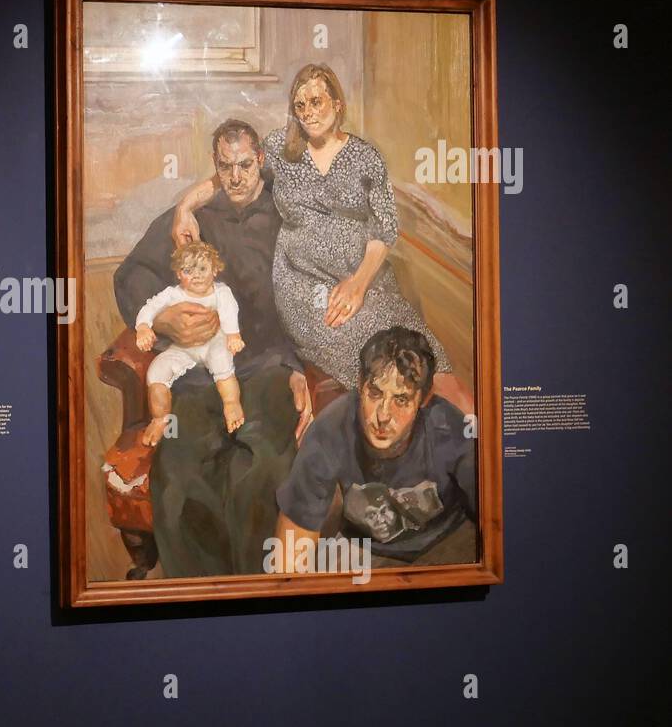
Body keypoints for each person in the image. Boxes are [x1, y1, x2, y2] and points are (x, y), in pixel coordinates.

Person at [173, 64, 471, 413]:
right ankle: (402, 429)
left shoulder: (366, 157)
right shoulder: (282, 152)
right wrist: (184, 207)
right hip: (303, 285)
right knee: (375, 353)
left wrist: (358, 284)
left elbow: (383, 228)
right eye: (300, 106)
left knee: (425, 355)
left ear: (337, 103)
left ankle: (469, 441)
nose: (308, 113)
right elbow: (223, 176)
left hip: (364, 280)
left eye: (316, 101)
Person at [113, 120, 312, 578]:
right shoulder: (192, 220)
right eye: (226, 167)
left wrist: (298, 366)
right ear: (215, 169)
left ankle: (257, 594)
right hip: (198, 369)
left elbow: (316, 295)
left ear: (261, 160)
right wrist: (163, 322)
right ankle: (201, 598)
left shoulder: (289, 209)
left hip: (267, 366)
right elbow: (132, 275)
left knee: (263, 470)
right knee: (180, 474)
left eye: (245, 164)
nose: (237, 177)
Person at [273, 326, 477, 568]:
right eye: (375, 393)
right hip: (364, 548)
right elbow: (290, 555)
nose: (383, 416)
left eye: (401, 400)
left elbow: (497, 521)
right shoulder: (329, 430)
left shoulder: (451, 429)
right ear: (360, 385)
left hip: (447, 541)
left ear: (423, 399)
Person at [134, 241, 246, 445]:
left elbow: (230, 311)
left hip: (215, 342)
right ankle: (160, 419)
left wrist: (232, 334)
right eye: (188, 270)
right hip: (184, 348)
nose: (197, 275)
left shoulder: (221, 292)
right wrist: (143, 327)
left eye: (203, 268)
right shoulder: (173, 294)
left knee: (222, 362)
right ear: (178, 274)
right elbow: (150, 307)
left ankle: (231, 403)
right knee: (156, 371)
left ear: (214, 270)